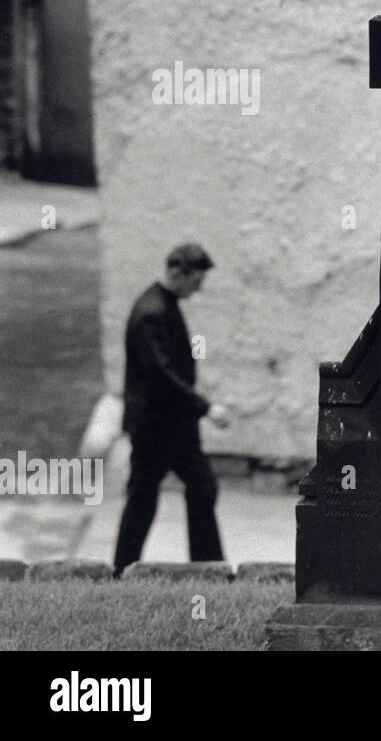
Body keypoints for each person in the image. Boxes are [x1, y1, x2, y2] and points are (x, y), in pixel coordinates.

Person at [112, 243, 231, 577]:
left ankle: (210, 568)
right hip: (155, 427)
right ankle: (122, 572)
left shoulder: (164, 304)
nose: (200, 286)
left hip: (175, 424)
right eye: (197, 279)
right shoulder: (151, 312)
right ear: (179, 272)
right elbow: (162, 377)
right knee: (142, 499)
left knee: (201, 488)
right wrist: (206, 407)